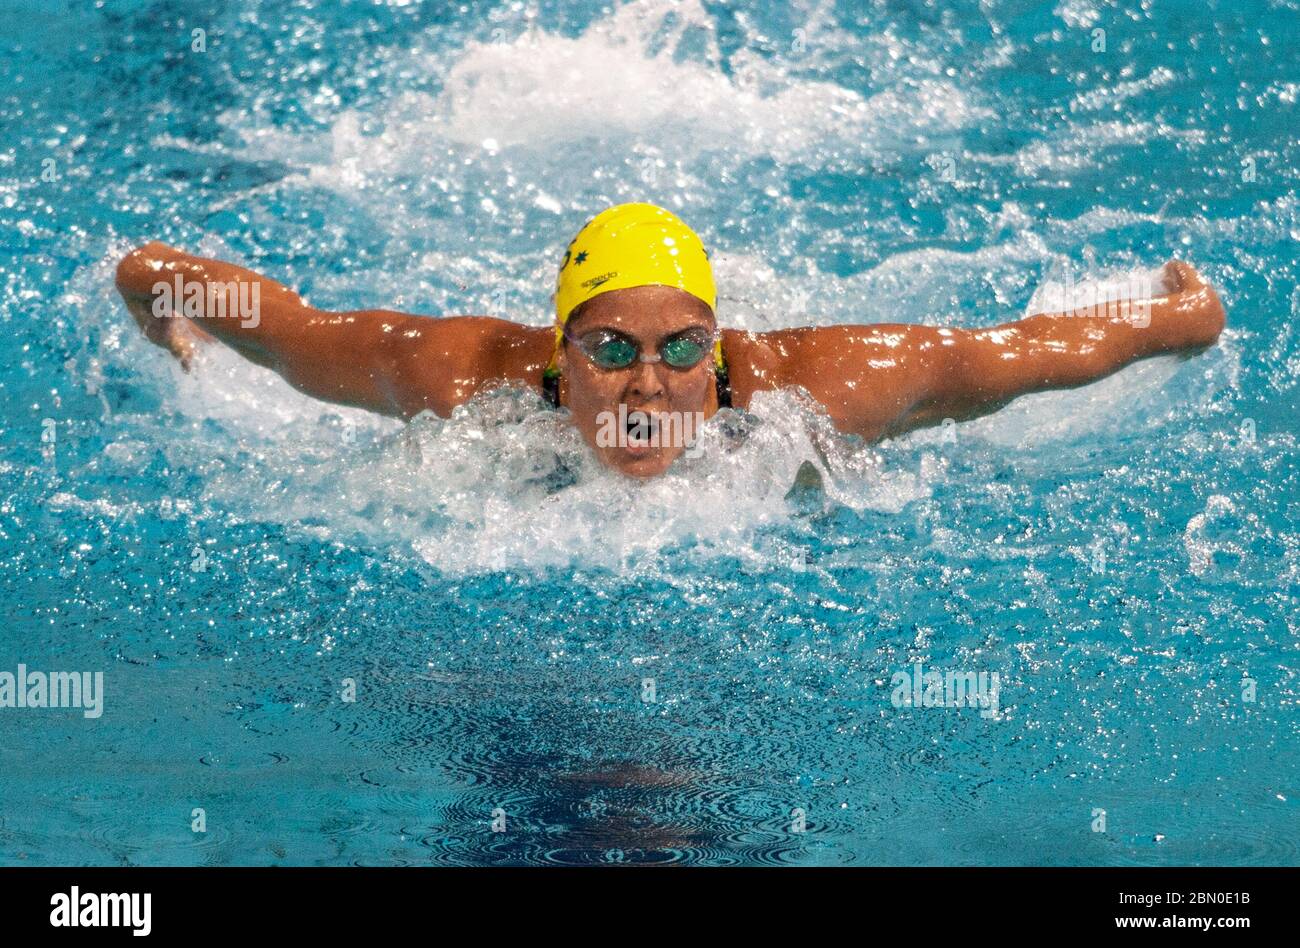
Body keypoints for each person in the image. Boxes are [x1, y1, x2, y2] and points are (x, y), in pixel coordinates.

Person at [115, 202, 1226, 478]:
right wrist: (155, 288)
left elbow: (1027, 349)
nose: (647, 386)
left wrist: (1180, 316)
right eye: (608, 352)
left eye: (681, 351)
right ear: (557, 353)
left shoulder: (832, 386)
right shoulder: (452, 373)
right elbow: (286, 321)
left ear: (720, 347)